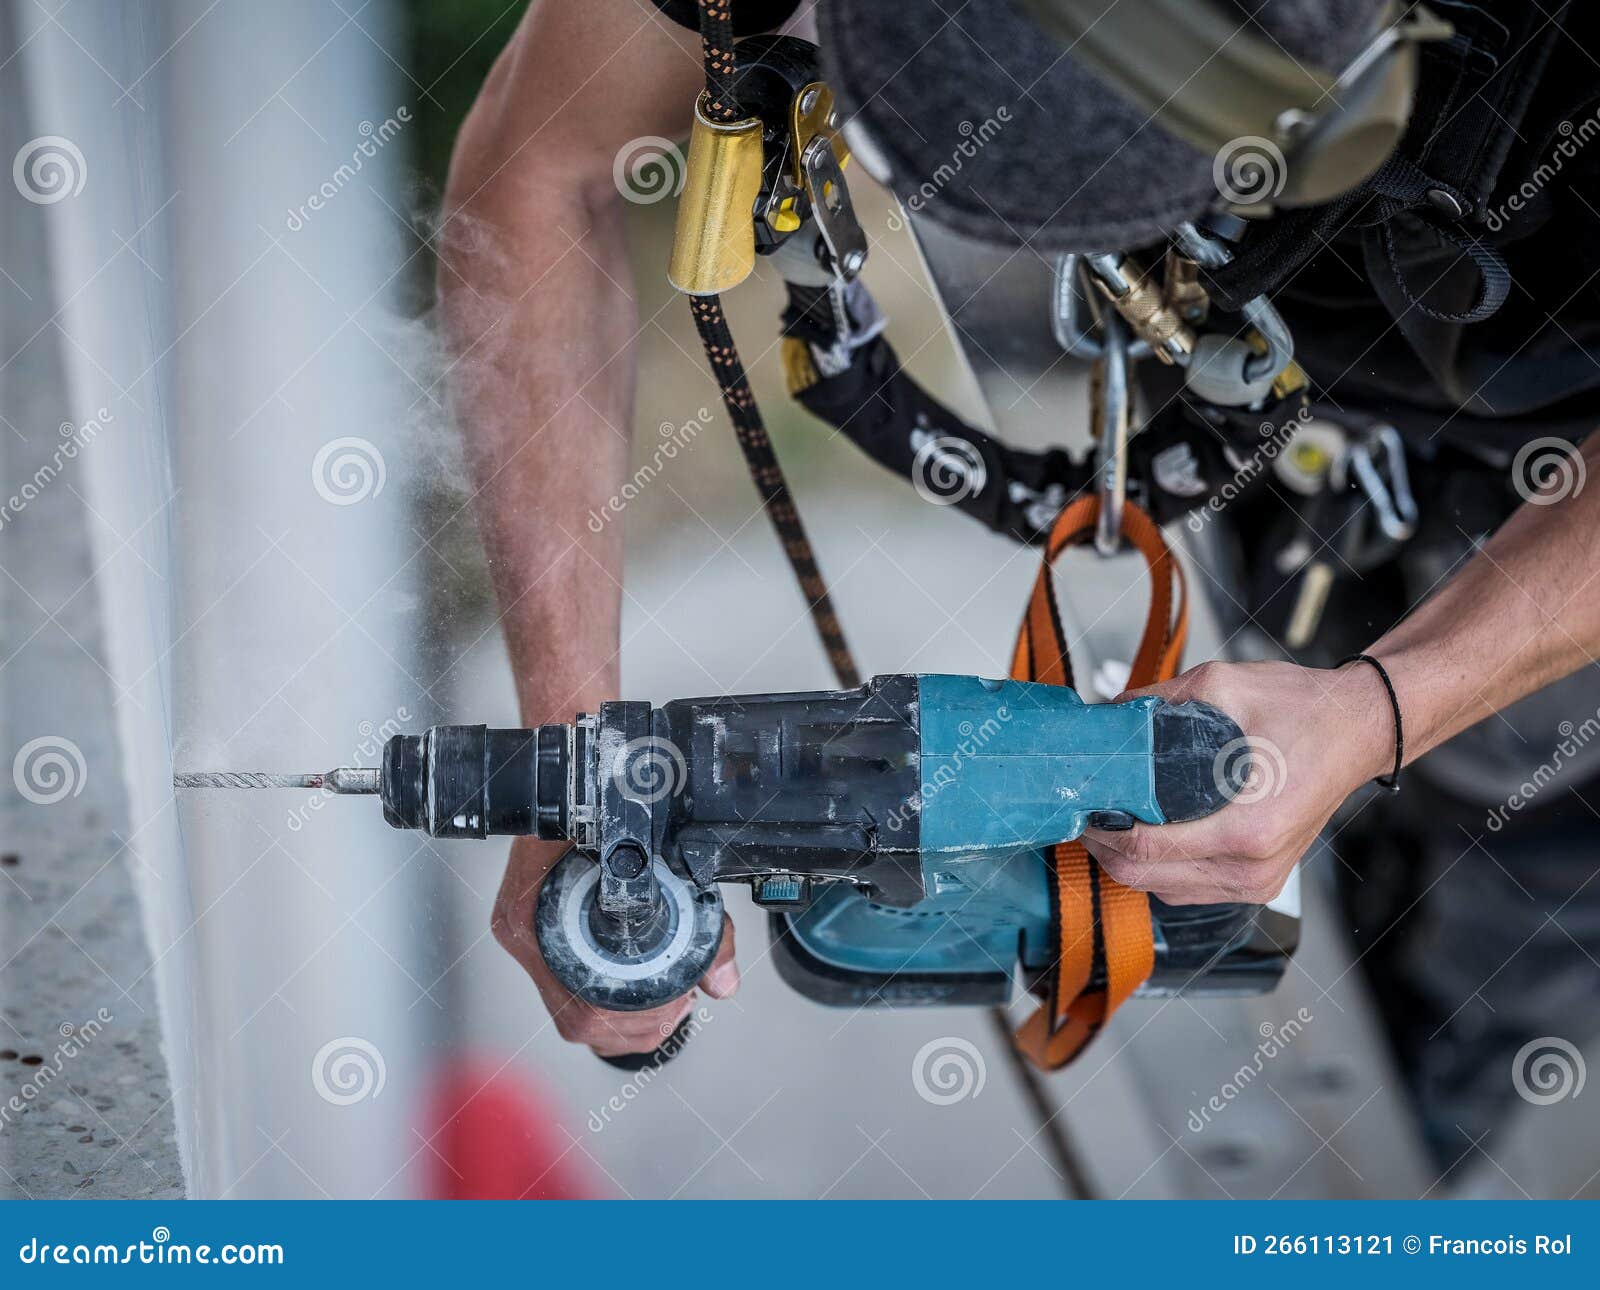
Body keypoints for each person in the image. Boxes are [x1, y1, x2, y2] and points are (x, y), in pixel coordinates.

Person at [439, 0, 1600, 1158]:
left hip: (1544, 411)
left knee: (1503, 813)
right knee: (1252, 729)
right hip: (1269, 373)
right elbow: (542, 171)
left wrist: (1389, 705)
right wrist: (576, 758)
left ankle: (1452, 1111)